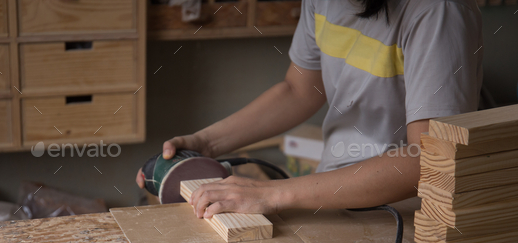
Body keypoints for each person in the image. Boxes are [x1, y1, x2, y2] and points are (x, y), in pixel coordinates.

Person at [137, 0, 483, 219]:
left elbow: (428, 160)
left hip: (407, 217)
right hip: (334, 199)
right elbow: (300, 90)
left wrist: (273, 194)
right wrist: (205, 144)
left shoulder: (439, 11)